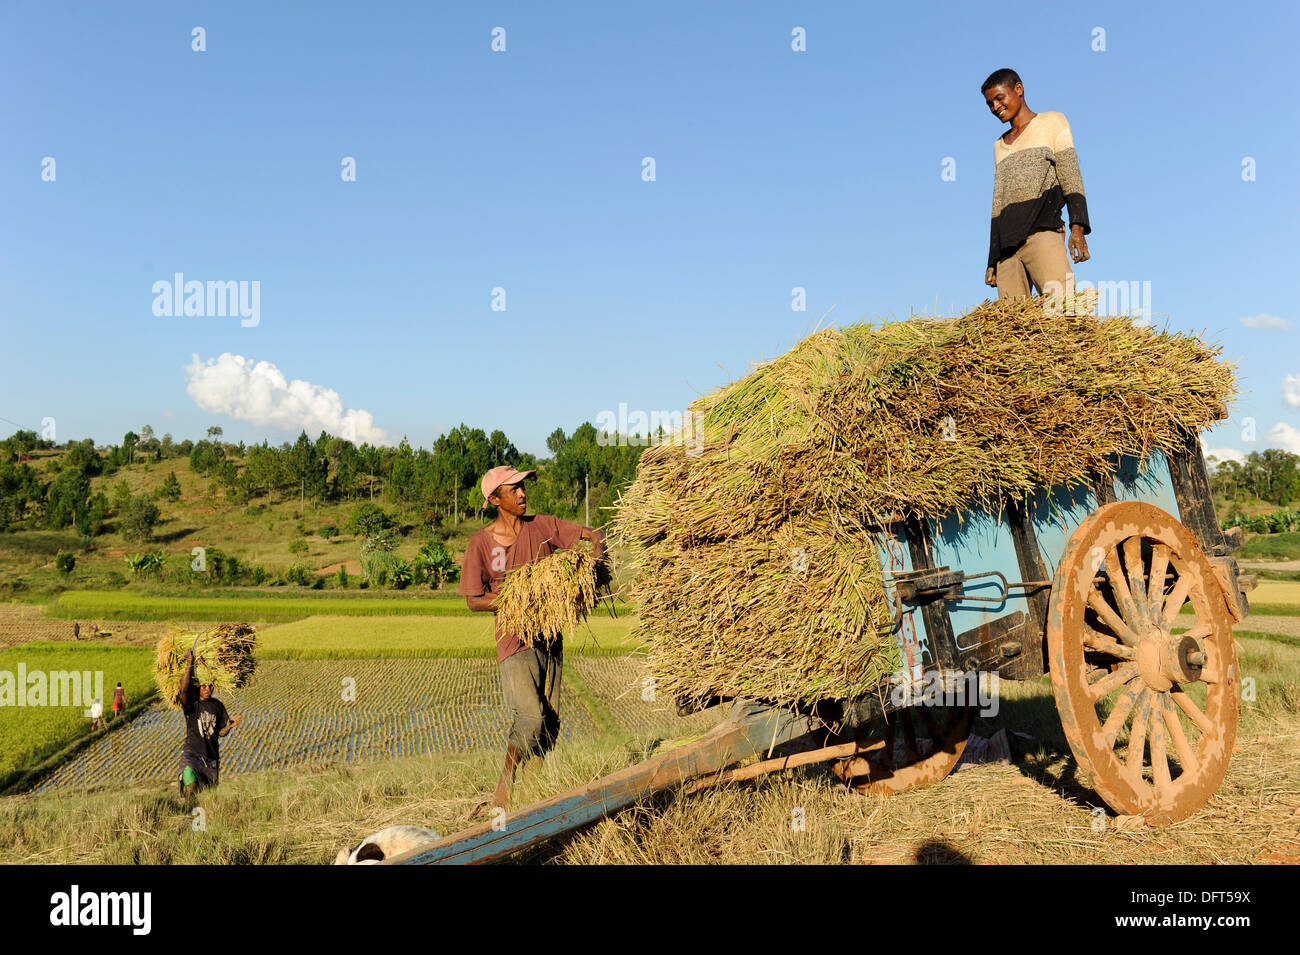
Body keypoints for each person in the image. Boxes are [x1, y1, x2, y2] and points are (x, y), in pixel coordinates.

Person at [459, 465, 605, 811]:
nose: (523, 493)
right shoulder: (481, 543)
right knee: (530, 716)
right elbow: (473, 599)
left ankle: (532, 791)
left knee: (550, 720)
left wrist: (592, 575)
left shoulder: (543, 526)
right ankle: (505, 784)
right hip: (515, 640)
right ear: (495, 499)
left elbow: (594, 535)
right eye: (514, 489)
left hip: (550, 640)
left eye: (523, 487)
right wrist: (522, 597)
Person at [982, 68, 1091, 305]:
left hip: (1043, 234)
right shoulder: (999, 146)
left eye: (1000, 98)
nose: (995, 107)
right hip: (1008, 250)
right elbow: (998, 203)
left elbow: (1070, 174)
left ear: (1018, 89)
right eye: (990, 103)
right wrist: (993, 259)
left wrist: (1078, 227)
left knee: (1064, 311)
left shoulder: (1052, 122)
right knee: (1011, 329)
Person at [176, 650, 242, 798]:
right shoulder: (192, 704)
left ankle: (199, 813)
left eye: (210, 686)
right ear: (198, 687)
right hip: (192, 754)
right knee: (189, 780)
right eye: (204, 686)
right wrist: (189, 663)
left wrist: (228, 726)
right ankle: (188, 809)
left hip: (211, 758)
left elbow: (221, 733)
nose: (207, 689)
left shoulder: (218, 706)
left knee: (208, 797)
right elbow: (183, 689)